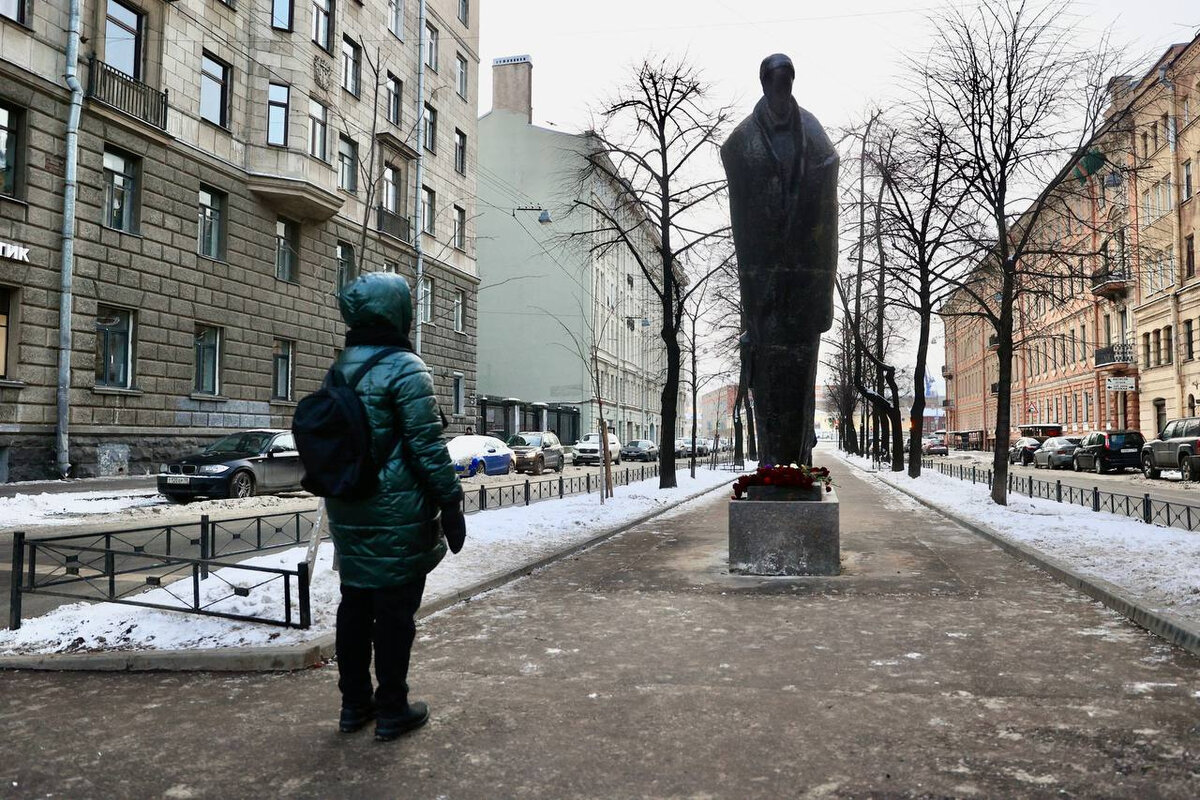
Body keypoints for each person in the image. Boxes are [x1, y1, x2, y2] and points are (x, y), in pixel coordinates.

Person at [325, 271, 467, 742]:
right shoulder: (406, 367)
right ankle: (392, 708)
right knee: (393, 614)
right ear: (397, 312)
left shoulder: (341, 366)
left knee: (354, 605)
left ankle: (353, 706)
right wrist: (450, 501)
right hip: (397, 511)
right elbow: (427, 447)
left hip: (348, 507)